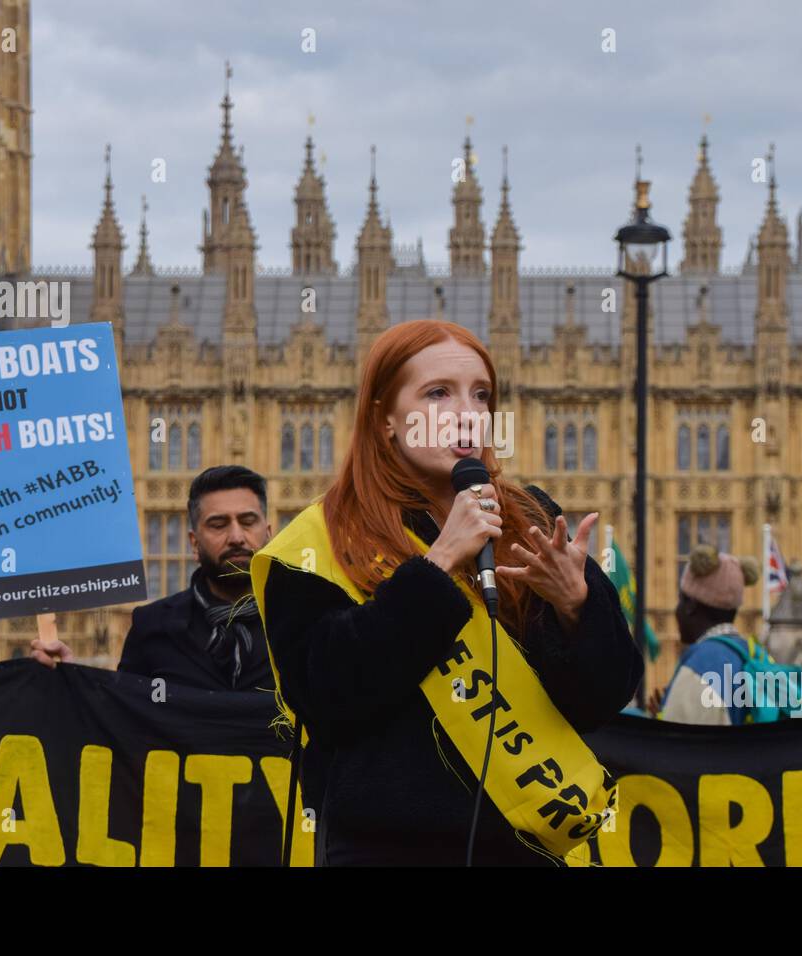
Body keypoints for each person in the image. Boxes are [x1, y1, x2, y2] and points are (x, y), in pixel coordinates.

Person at [251, 318, 642, 866]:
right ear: (384, 418)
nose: (467, 413)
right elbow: (327, 697)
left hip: (529, 853)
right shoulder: (318, 543)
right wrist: (436, 567)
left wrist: (577, 607)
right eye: (438, 393)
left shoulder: (528, 517)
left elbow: (602, 698)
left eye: (481, 396)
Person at [31, 464, 275, 693]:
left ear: (270, 533)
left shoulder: (305, 623)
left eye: (247, 521)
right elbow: (121, 715)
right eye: (218, 524)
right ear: (194, 543)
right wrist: (71, 676)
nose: (236, 537)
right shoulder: (150, 626)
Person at [652, 543, 802, 724]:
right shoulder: (755, 655)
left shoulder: (701, 665)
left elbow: (681, 748)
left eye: (680, 601)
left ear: (690, 605)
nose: (677, 610)